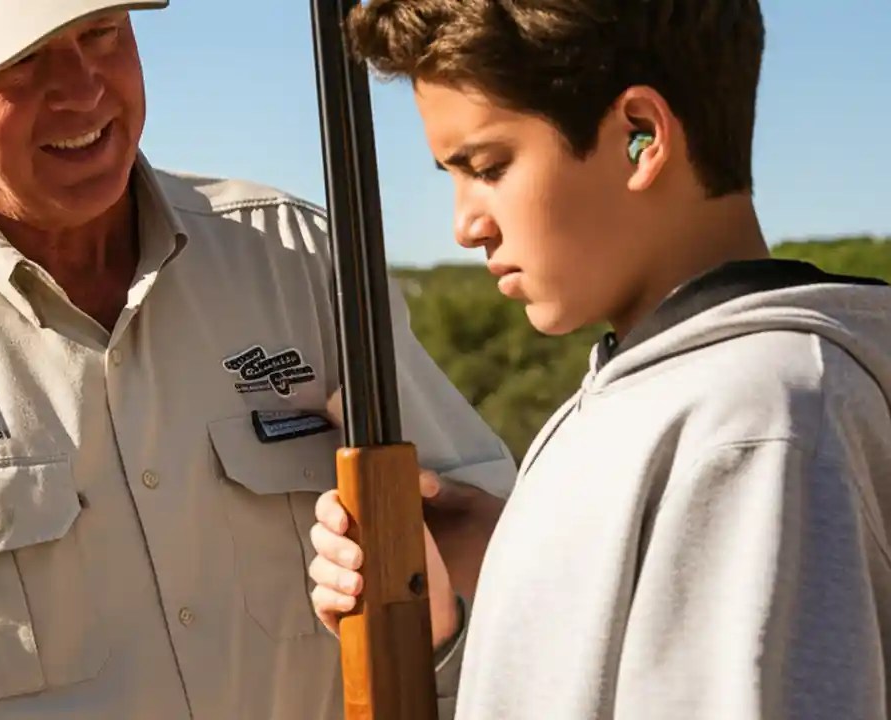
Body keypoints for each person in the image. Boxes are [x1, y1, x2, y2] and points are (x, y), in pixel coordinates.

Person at [0, 1, 516, 718]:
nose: (80, 89)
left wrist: (430, 554)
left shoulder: (300, 258)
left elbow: (507, 560)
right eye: (22, 59)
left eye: (101, 32)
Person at [308, 0, 891, 718]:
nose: (465, 225)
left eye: (489, 167)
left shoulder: (756, 422)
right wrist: (509, 565)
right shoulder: (660, 387)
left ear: (641, 136)